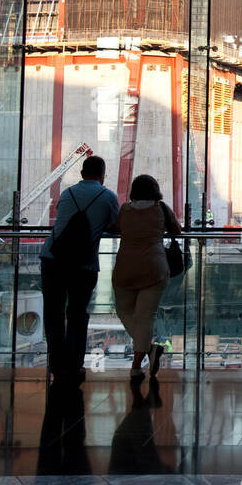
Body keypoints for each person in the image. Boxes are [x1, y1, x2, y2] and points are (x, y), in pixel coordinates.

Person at [40, 155, 119, 387]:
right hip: (83, 266)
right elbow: (115, 227)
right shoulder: (107, 197)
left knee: (53, 315)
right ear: (102, 175)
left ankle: (56, 366)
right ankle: (74, 366)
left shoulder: (67, 193)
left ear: (82, 173)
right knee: (76, 315)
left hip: (52, 259)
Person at [112, 174, 183, 381]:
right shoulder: (161, 209)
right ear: (156, 191)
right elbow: (177, 231)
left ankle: (148, 353)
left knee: (124, 310)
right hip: (155, 269)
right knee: (146, 316)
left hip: (125, 268)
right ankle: (137, 365)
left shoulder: (125, 209)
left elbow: (117, 227)